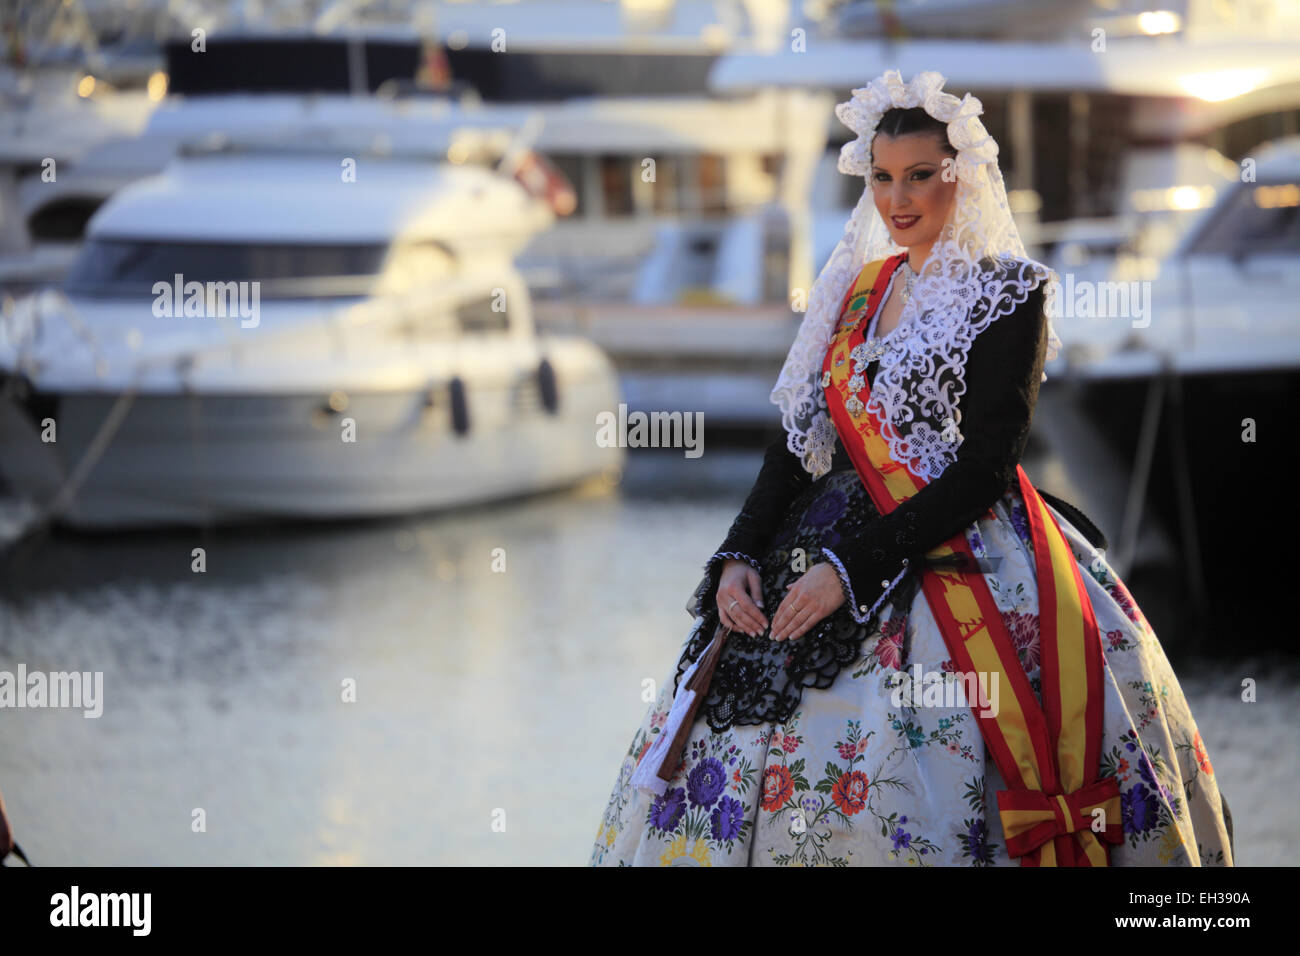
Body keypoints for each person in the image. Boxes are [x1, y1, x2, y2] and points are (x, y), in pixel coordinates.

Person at [589, 70, 1234, 867]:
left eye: (921, 176)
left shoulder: (1010, 291)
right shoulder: (857, 290)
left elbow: (987, 467)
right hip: (817, 540)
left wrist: (849, 571)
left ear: (962, 174)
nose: (899, 199)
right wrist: (738, 557)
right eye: (883, 177)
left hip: (966, 552)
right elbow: (799, 443)